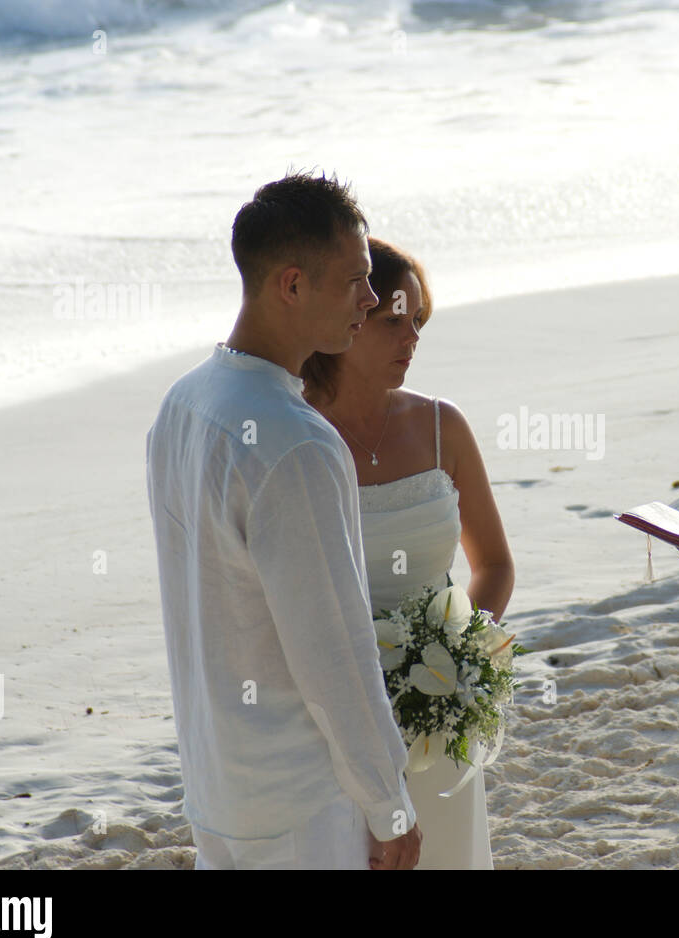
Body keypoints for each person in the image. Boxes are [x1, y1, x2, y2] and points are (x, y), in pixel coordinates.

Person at [145, 171, 422, 869]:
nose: (371, 297)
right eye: (356, 280)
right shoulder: (294, 440)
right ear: (292, 285)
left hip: (218, 787)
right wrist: (390, 807)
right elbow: (333, 654)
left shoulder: (183, 403)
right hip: (300, 804)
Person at [301, 237, 515, 869]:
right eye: (394, 320)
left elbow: (495, 566)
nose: (411, 337)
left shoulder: (442, 426)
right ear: (347, 317)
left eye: (417, 321)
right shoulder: (297, 435)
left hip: (439, 718)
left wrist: (459, 662)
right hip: (329, 722)